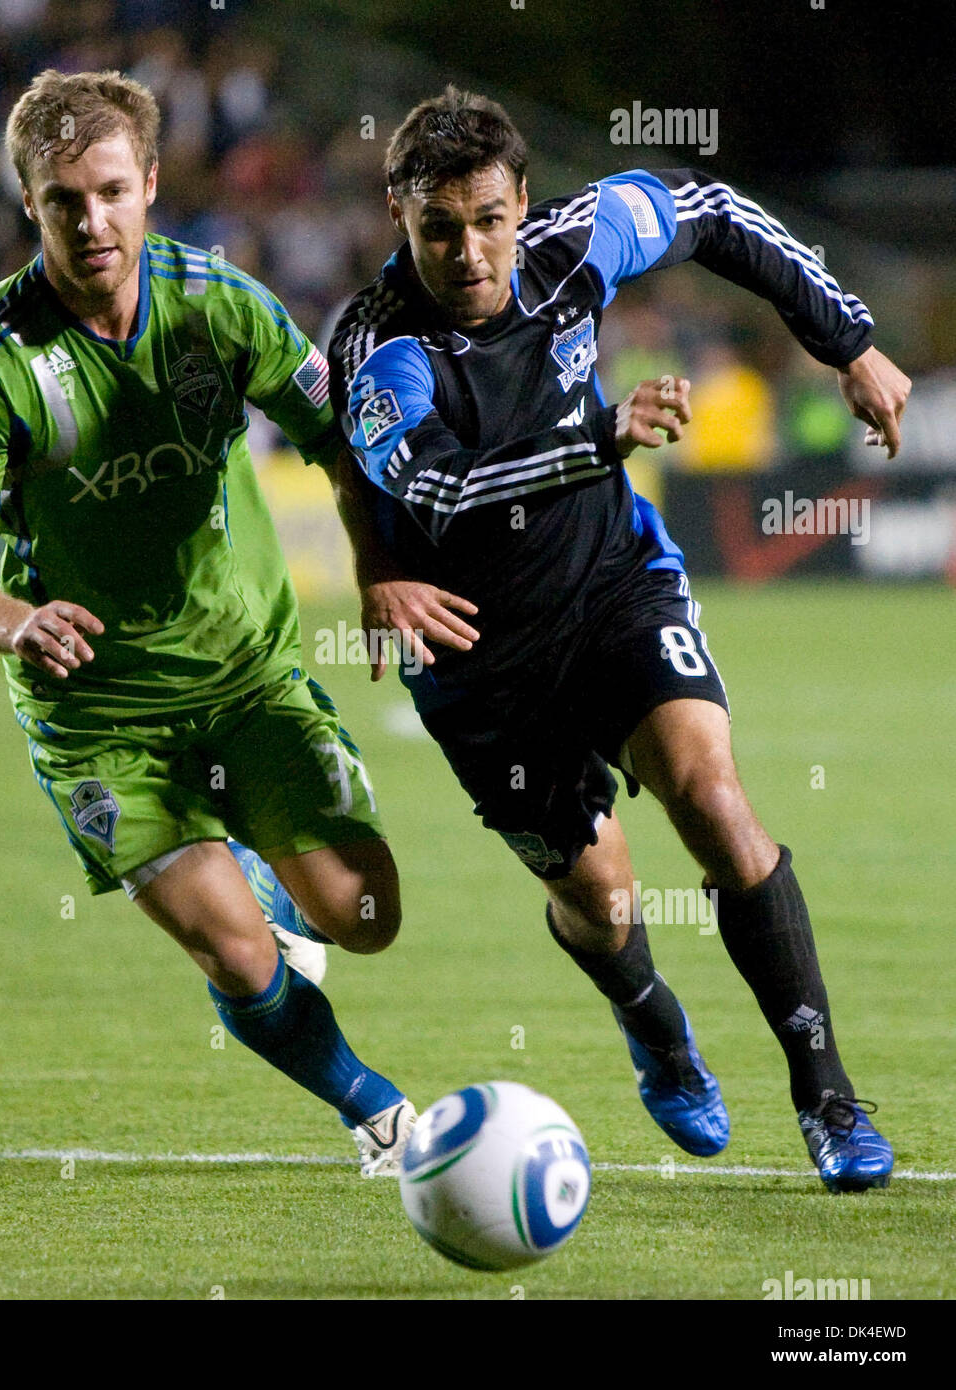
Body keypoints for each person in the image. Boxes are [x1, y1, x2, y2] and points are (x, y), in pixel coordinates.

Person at [325, 86, 909, 1192]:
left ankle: (825, 1096)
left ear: (520, 203)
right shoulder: (379, 343)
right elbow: (441, 489)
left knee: (713, 801)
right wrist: (595, 434)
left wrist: (848, 342)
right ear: (396, 210)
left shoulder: (576, 241)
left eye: (488, 218)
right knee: (600, 902)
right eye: (437, 226)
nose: (467, 251)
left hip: (610, 589)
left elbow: (713, 212)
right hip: (476, 658)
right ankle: (652, 1022)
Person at [0, 69, 416, 1176]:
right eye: (61, 201)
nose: (92, 221)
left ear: (151, 186)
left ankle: (271, 884)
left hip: (243, 675)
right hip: (99, 718)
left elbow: (333, 439)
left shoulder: (221, 305)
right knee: (234, 955)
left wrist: (377, 569)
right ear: (27, 206)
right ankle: (380, 1117)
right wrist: (15, 623)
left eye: (111, 191)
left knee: (364, 914)